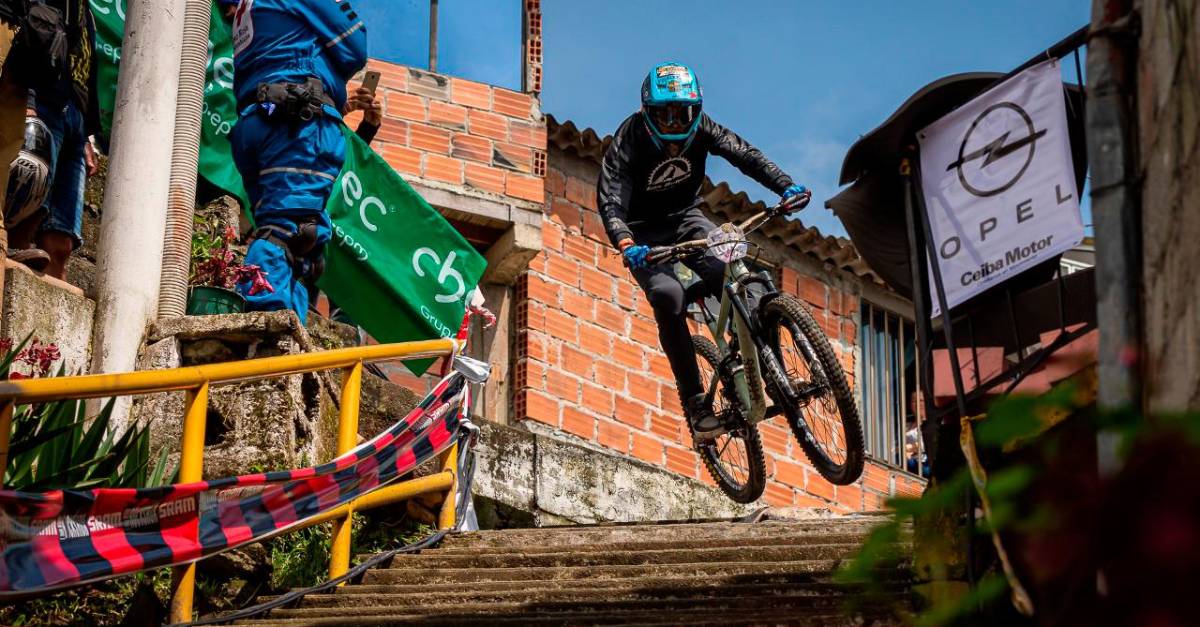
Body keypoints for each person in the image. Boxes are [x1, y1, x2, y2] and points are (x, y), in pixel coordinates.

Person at [597, 62, 810, 439]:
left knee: (735, 273)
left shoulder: (704, 127)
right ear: (647, 112)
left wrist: (784, 185)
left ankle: (771, 365)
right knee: (669, 295)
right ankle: (696, 402)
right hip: (644, 235)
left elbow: (745, 155)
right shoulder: (630, 137)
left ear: (696, 109)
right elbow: (611, 197)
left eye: (683, 114)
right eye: (665, 115)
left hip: (687, 219)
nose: (675, 125)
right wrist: (625, 241)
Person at [227, 0, 367, 323]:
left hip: (261, 120)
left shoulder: (244, 6)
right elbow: (355, 47)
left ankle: (286, 324)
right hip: (295, 125)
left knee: (301, 248)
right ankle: (264, 325)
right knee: (289, 232)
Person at [4, 0, 99, 280]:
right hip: (43, 101)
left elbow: (86, 68)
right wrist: (27, 102)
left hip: (76, 117)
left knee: (62, 241)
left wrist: (87, 135)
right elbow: (28, 34)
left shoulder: (87, 13)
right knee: (26, 212)